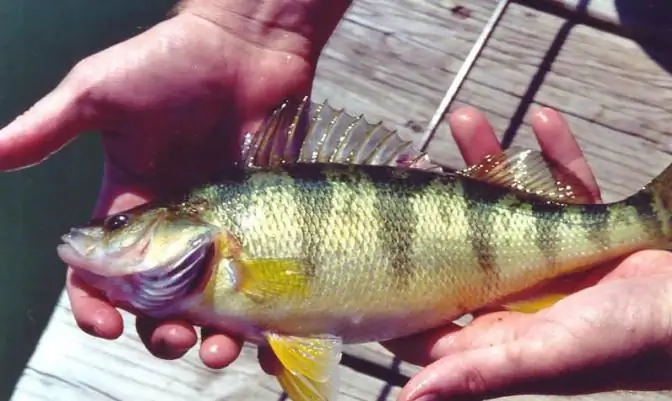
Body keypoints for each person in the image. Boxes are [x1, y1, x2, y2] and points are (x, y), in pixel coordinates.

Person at [1, 1, 670, 399]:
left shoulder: (227, 236)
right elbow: (301, 334)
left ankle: (648, 220)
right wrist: (254, 19)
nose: (99, 238)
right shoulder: (218, 241)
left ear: (187, 221)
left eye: (122, 227)